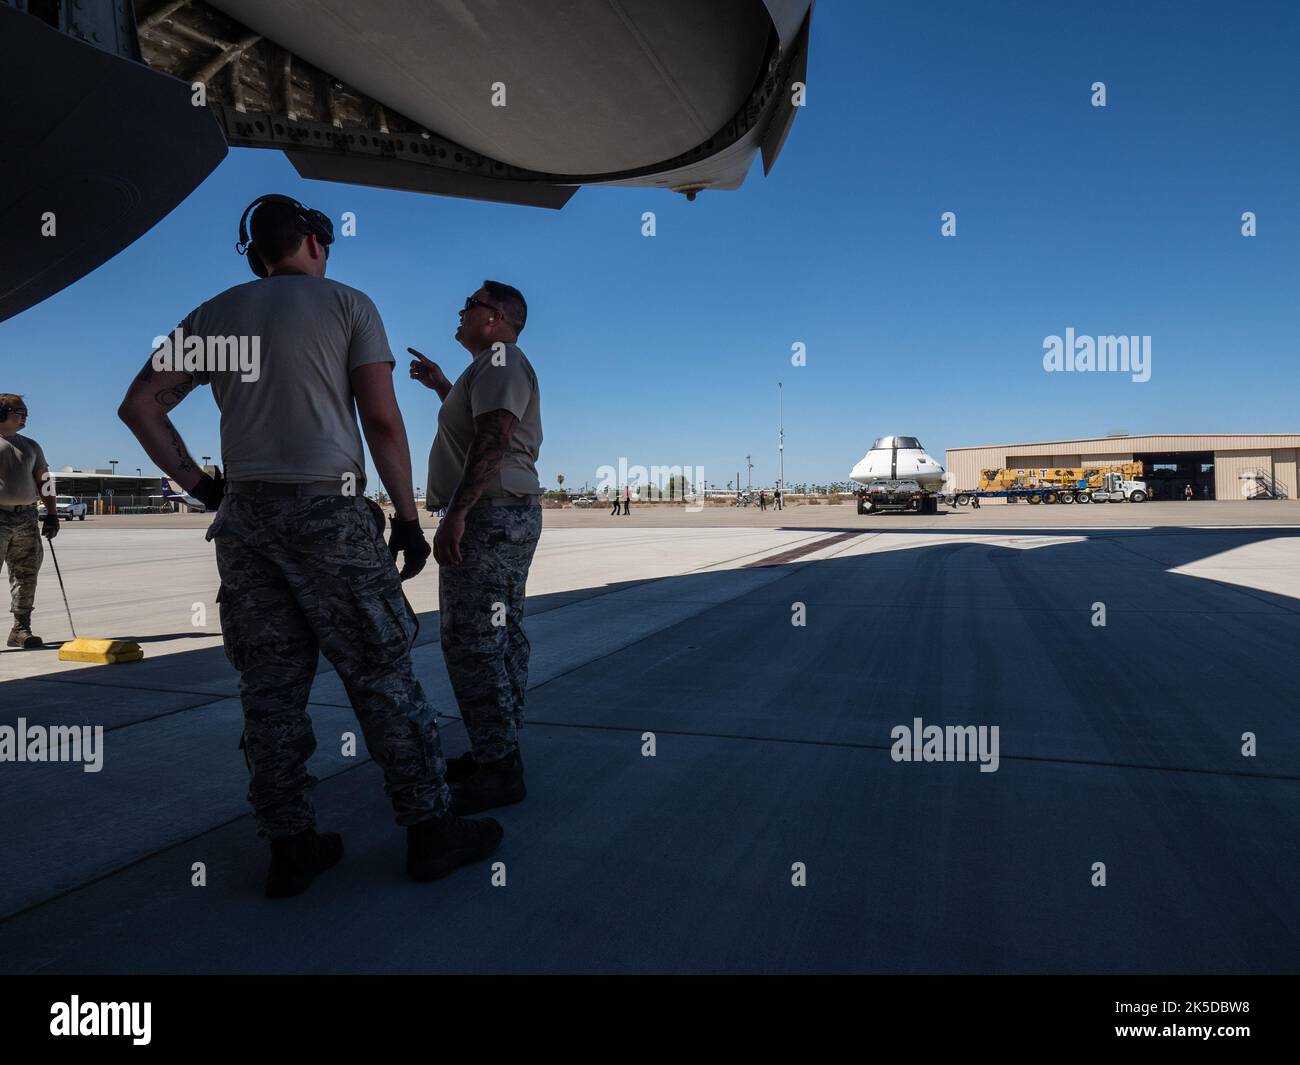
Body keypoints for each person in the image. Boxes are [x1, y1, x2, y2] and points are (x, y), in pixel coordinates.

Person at [119, 194, 502, 898]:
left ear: (257, 253)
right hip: (328, 513)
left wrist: (206, 489)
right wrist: (410, 521)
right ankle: (428, 830)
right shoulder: (347, 306)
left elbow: (139, 405)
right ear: (314, 242)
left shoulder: (215, 315)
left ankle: (290, 845)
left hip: (246, 523)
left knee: (269, 691)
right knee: (382, 676)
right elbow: (383, 423)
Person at [408, 280, 542, 815]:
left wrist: (458, 512)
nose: (461, 311)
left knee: (473, 640)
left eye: (471, 304)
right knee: (499, 636)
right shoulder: (486, 367)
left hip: (491, 514)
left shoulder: (500, 359)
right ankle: (498, 751)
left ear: (498, 318)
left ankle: (500, 768)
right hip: (503, 512)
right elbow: (475, 427)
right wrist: (444, 387)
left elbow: (495, 436)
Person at [0, 394, 59, 648]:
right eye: (19, 410)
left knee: (26, 575)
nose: (25, 416)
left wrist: (53, 514)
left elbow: (44, 481)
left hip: (26, 517)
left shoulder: (32, 446)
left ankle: (21, 629)